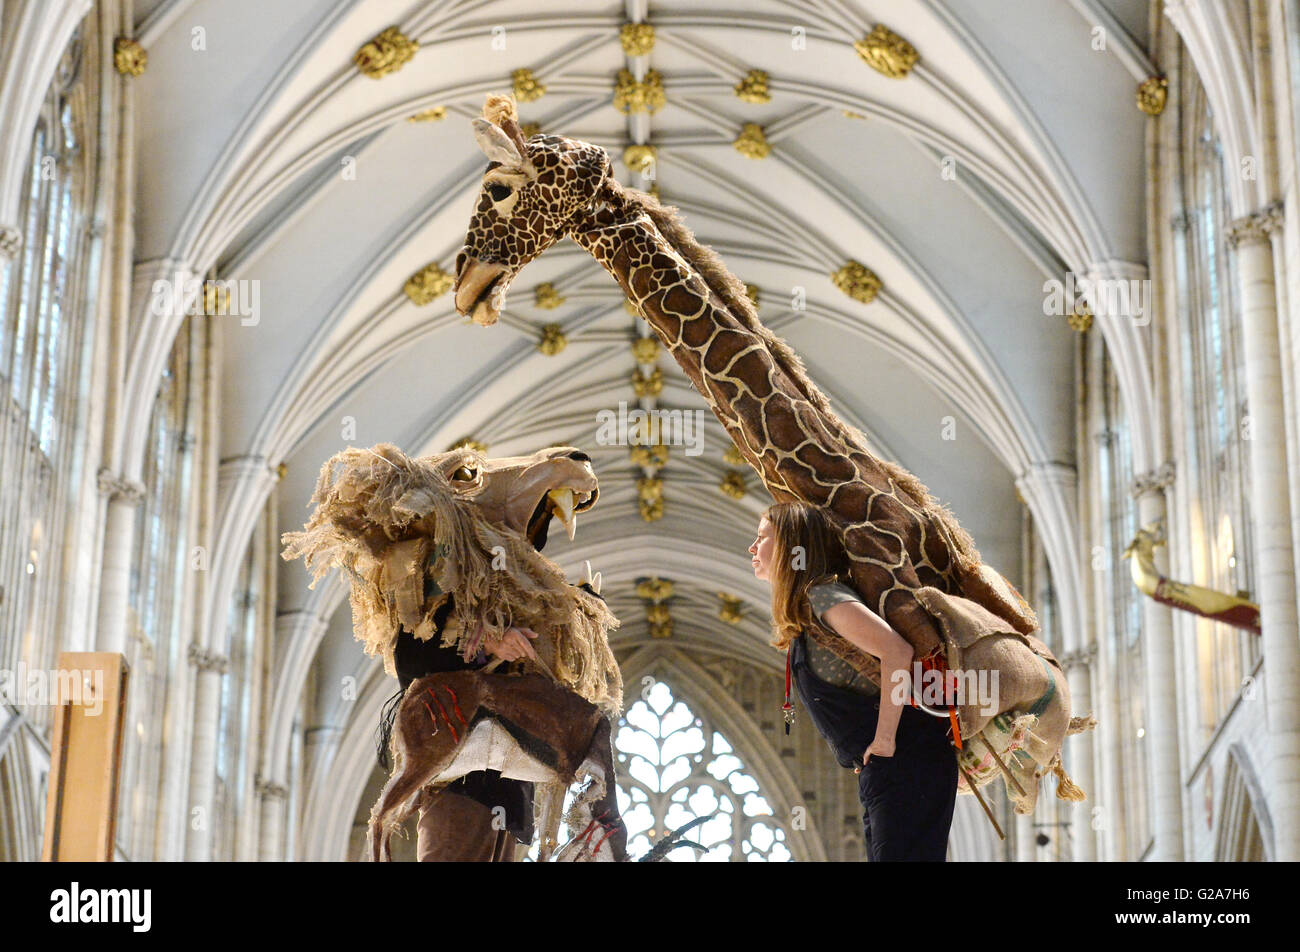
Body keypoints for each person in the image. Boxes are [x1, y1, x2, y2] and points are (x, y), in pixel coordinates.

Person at [749, 501, 958, 861]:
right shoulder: (806, 612)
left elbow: (896, 651)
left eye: (762, 537)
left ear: (791, 546)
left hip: (907, 761)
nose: (753, 548)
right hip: (888, 770)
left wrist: (885, 740)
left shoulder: (823, 597)